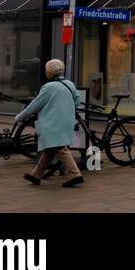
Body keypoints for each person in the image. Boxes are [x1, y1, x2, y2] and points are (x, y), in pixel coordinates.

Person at [16, 59, 84, 188]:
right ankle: (36, 175)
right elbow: (77, 101)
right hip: (67, 120)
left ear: (49, 71)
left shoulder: (48, 87)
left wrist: (20, 117)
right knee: (50, 149)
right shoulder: (69, 84)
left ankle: (76, 174)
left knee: (60, 148)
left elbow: (35, 105)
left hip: (53, 123)